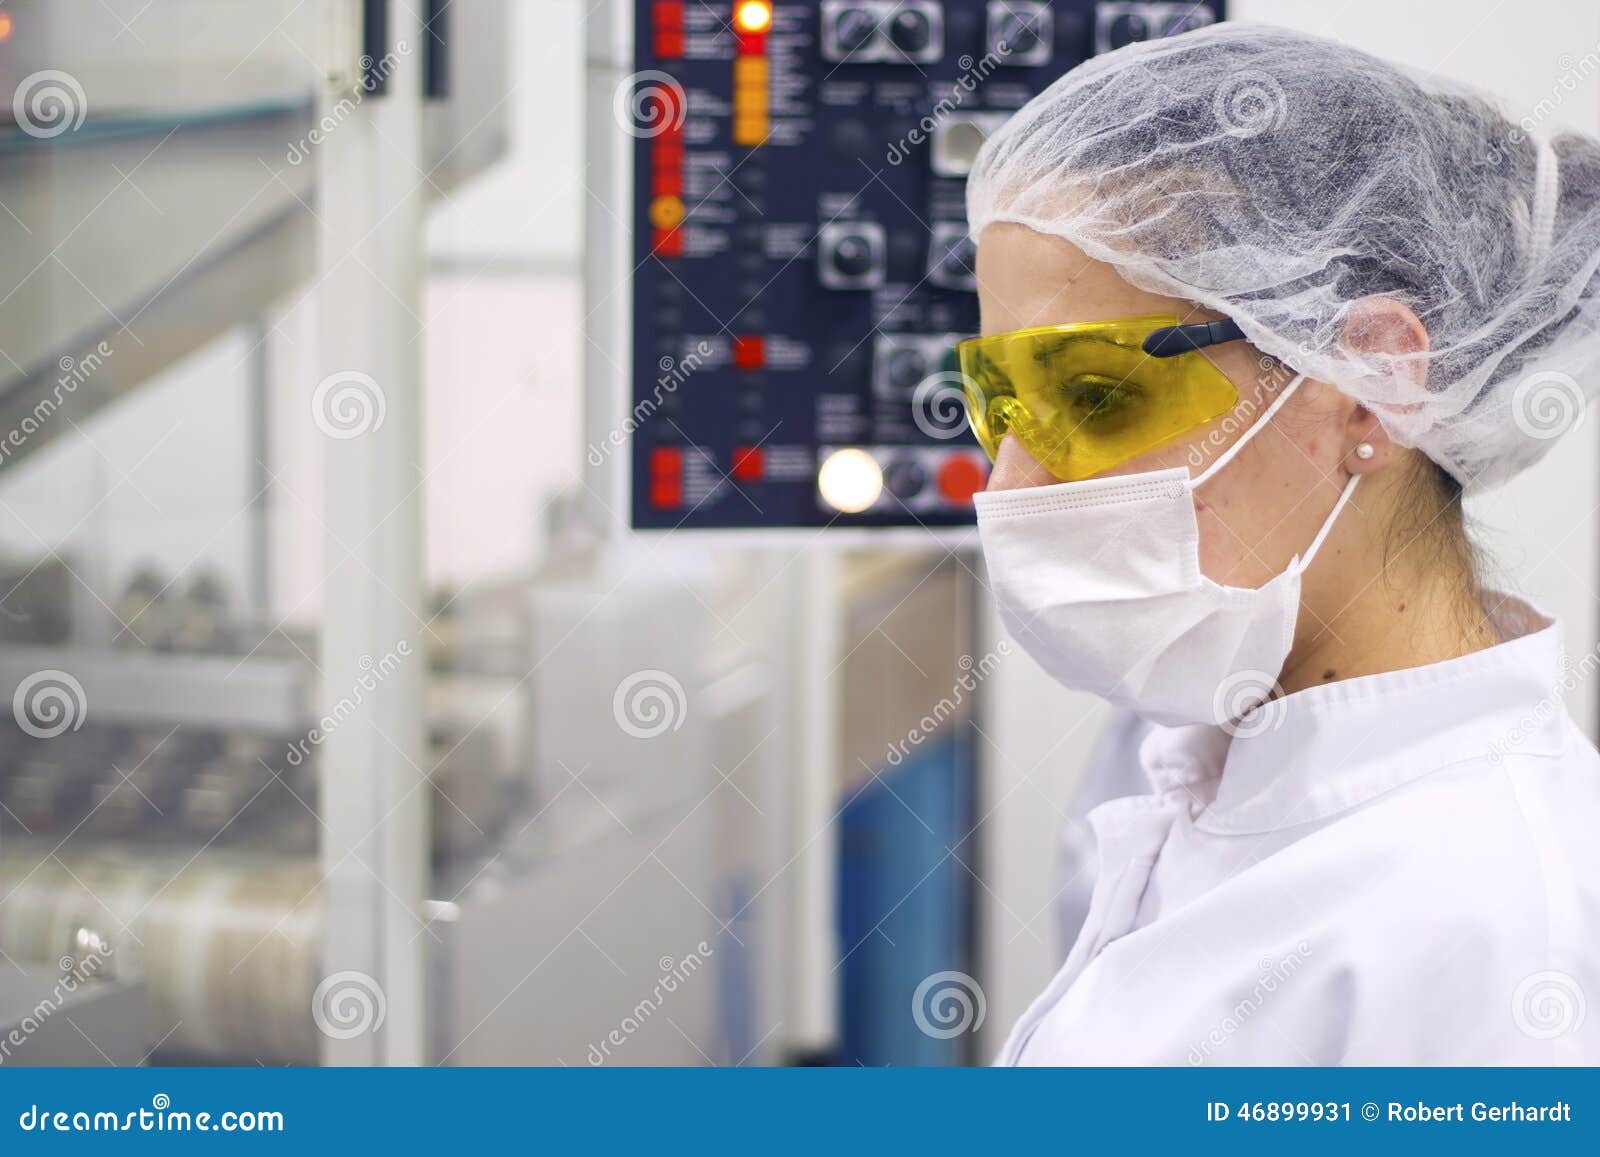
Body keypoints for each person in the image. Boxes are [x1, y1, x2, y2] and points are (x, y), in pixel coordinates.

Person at [961, 22, 1600, 1064]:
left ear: (1370, 381)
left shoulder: (1504, 934)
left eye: (1091, 393)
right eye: (997, 404)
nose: (1011, 486)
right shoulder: (1191, 755)